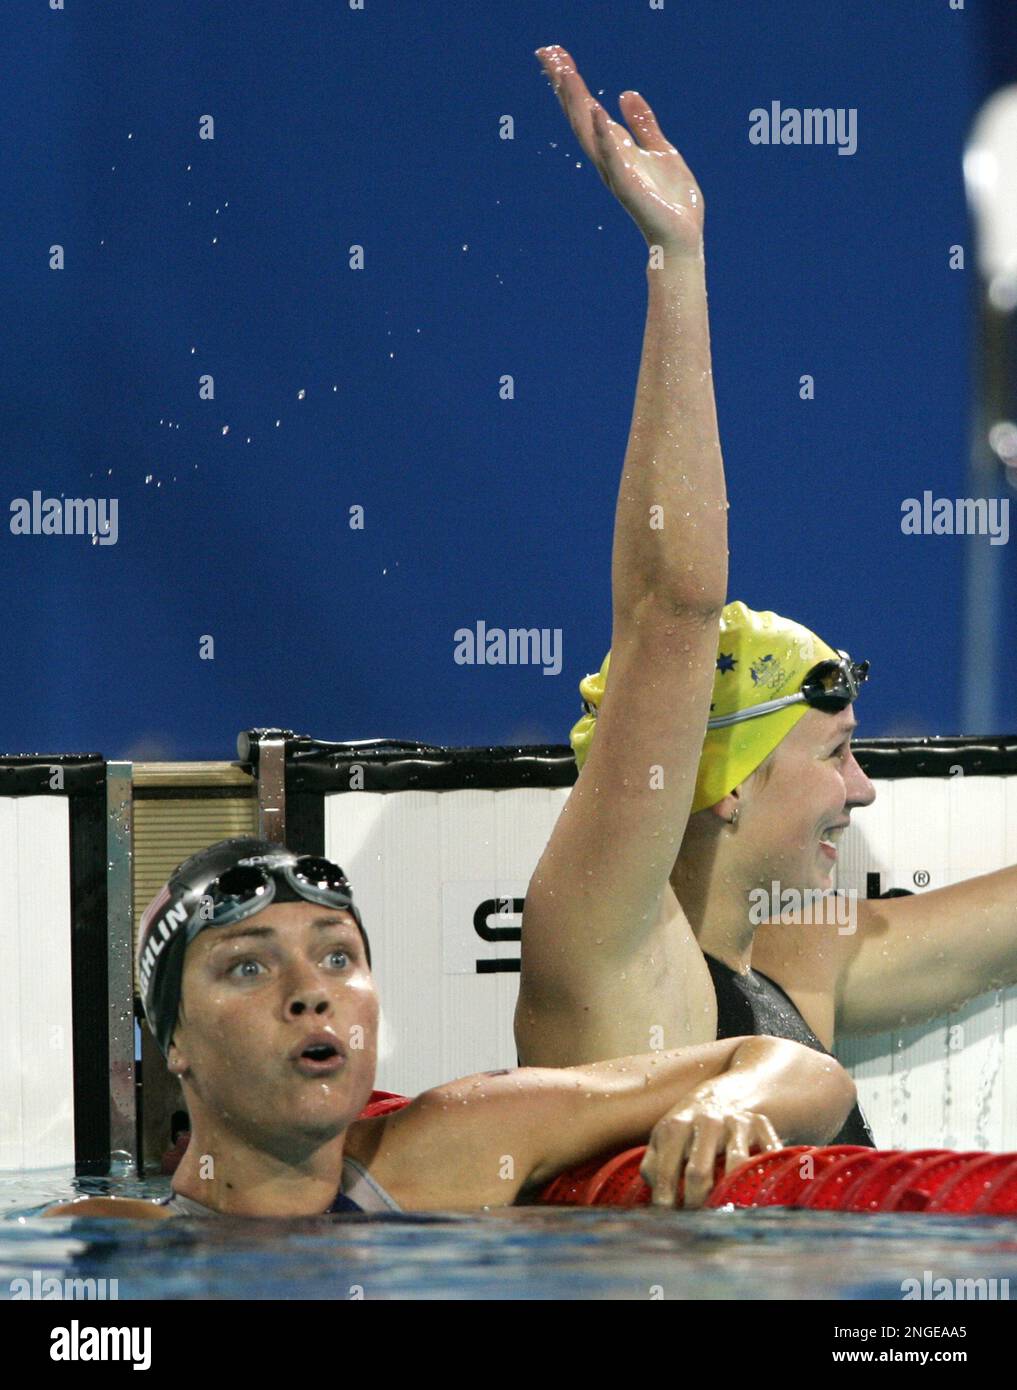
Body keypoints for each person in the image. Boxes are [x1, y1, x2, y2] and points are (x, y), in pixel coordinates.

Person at [514, 48, 1017, 1140]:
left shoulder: (803, 956)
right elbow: (672, 611)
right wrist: (678, 259)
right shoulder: (605, 951)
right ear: (726, 782)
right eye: (835, 750)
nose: (867, 791)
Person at [44, 840, 855, 1218]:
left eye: (336, 958)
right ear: (172, 1039)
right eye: (248, 968)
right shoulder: (110, 1244)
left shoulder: (449, 1146)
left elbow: (798, 1068)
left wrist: (728, 1104)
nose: (309, 996)